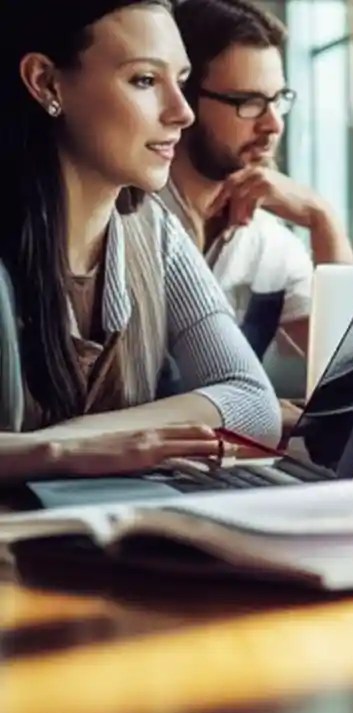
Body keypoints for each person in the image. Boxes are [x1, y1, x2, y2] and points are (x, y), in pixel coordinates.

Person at [0, 0, 280, 480]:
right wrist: (57, 455)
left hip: (105, 536)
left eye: (183, 80)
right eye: (145, 80)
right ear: (47, 82)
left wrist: (72, 440)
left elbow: (253, 404)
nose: (182, 112)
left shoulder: (156, 233)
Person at [164, 0, 353, 360]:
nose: (273, 124)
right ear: (184, 99)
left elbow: (346, 364)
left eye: (277, 99)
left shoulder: (271, 246)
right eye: (248, 102)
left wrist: (322, 218)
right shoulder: (127, 220)